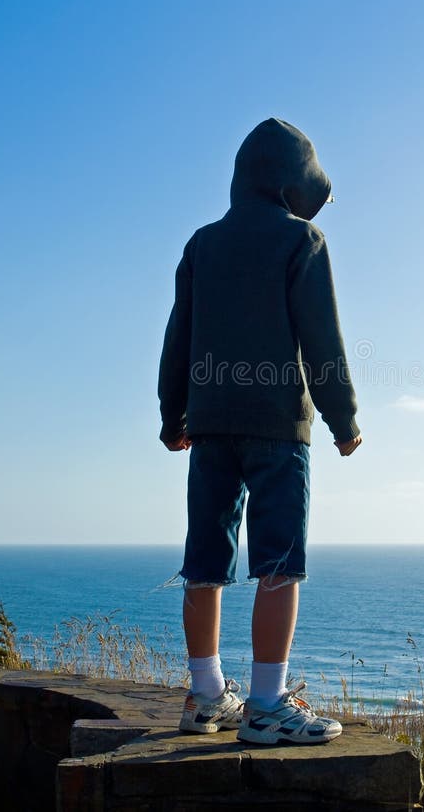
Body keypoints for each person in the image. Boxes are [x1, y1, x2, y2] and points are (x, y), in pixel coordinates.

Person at [157, 118, 361, 745]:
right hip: (278, 427)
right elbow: (321, 341)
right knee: (278, 562)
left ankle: (206, 695)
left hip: (211, 427)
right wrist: (342, 417)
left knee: (205, 561)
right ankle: (267, 705)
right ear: (293, 183)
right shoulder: (302, 240)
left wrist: (173, 415)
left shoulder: (202, 244)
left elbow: (178, 335)